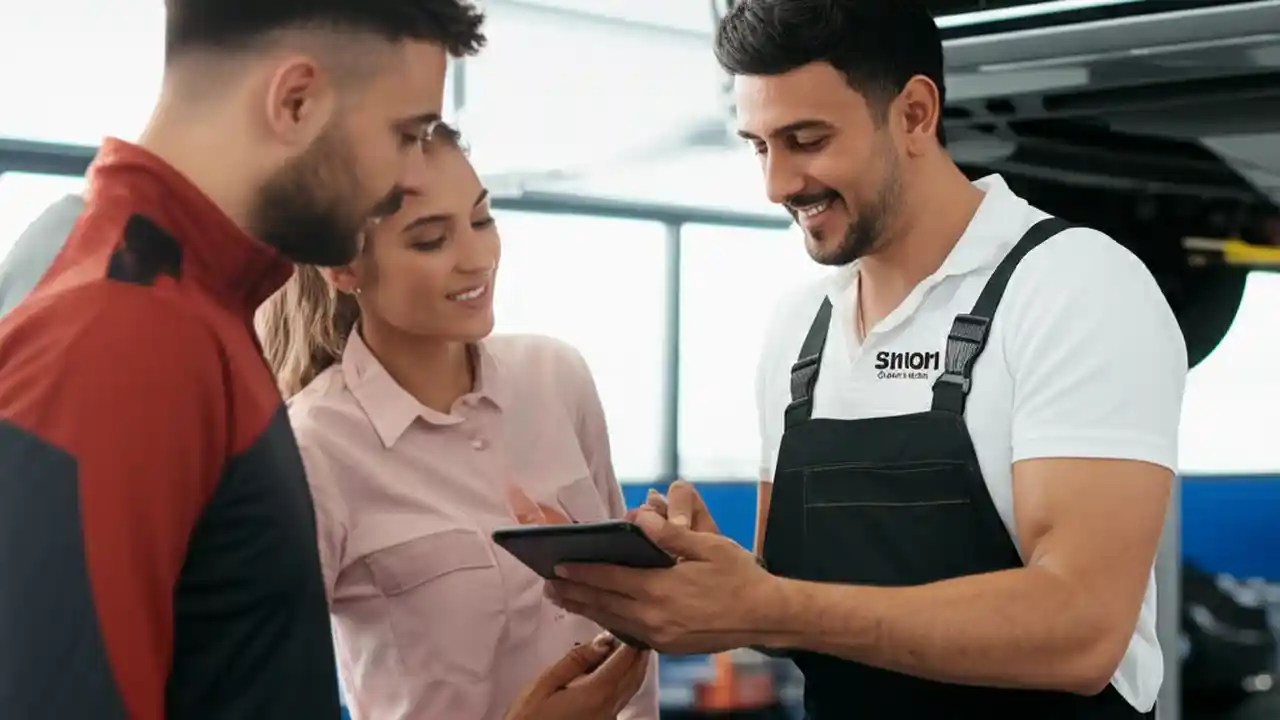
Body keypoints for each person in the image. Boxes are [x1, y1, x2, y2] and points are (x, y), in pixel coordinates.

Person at [0, 1, 647, 718]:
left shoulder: (203, 313)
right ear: (297, 102)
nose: (405, 174)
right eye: (404, 134)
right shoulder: (118, 332)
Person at [545, 1, 1187, 718]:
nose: (777, 184)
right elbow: (793, 608)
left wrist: (770, 605)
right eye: (759, 146)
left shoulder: (1071, 287)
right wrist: (714, 580)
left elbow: (1082, 629)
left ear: (914, 113)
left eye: (807, 139)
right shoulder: (800, 331)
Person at [255, 130, 659, 720]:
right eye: (430, 239)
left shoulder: (557, 377)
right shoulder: (313, 449)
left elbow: (630, 625)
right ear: (344, 266)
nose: (477, 258)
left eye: (482, 219)